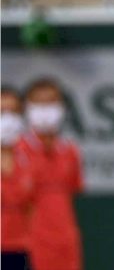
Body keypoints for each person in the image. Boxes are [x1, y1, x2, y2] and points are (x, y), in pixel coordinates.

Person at [19, 78, 84, 270]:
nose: (45, 109)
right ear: (27, 108)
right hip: (27, 243)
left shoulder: (70, 151)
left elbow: (73, 192)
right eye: (39, 103)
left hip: (66, 242)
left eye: (51, 102)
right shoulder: (17, 151)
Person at [1, 87, 34, 270]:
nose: (6, 119)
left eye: (12, 112)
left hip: (24, 248)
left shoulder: (31, 155)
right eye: (1, 112)